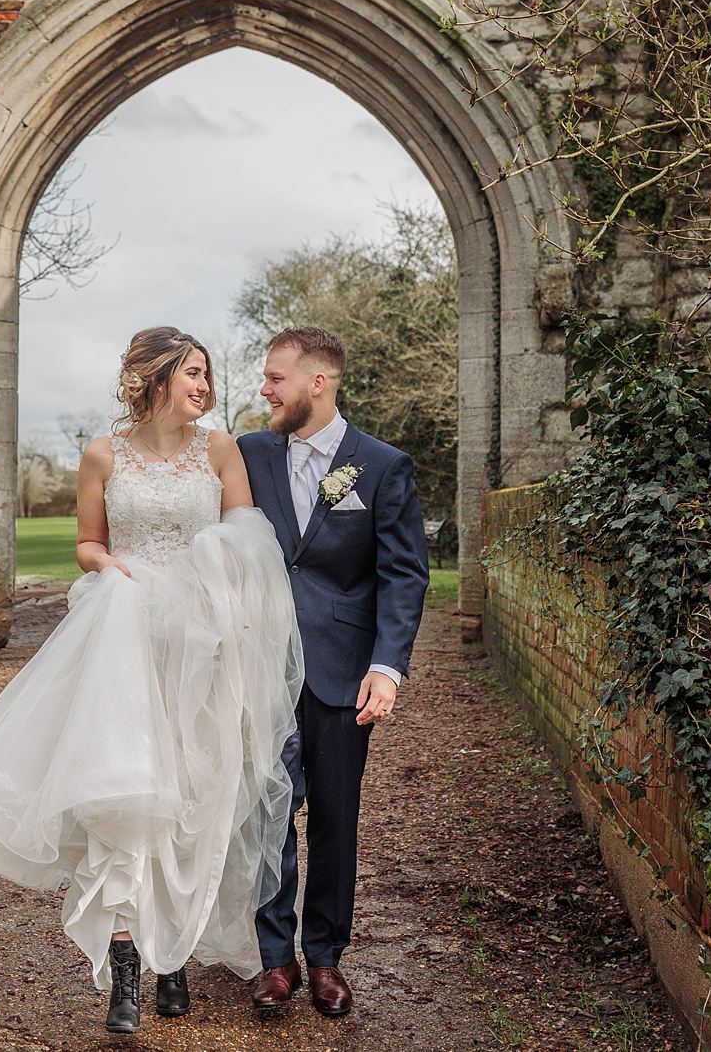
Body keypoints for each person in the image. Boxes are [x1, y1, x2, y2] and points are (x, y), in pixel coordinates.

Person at [0, 327, 303, 1035]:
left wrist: (223, 587)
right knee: (123, 793)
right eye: (193, 372)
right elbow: (88, 543)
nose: (205, 386)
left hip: (200, 643)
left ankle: (175, 954)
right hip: (123, 640)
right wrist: (107, 566)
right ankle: (126, 966)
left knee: (191, 796)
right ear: (155, 378)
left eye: (206, 374)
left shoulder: (220, 450)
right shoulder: (103, 453)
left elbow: (249, 541)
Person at [238, 325, 429, 1018]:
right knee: (266, 814)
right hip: (261, 666)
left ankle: (324, 956)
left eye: (276, 378)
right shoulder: (247, 454)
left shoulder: (381, 465)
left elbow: (404, 575)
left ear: (317, 382)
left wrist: (387, 667)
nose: (265, 389)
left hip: (343, 670)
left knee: (334, 820)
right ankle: (274, 959)